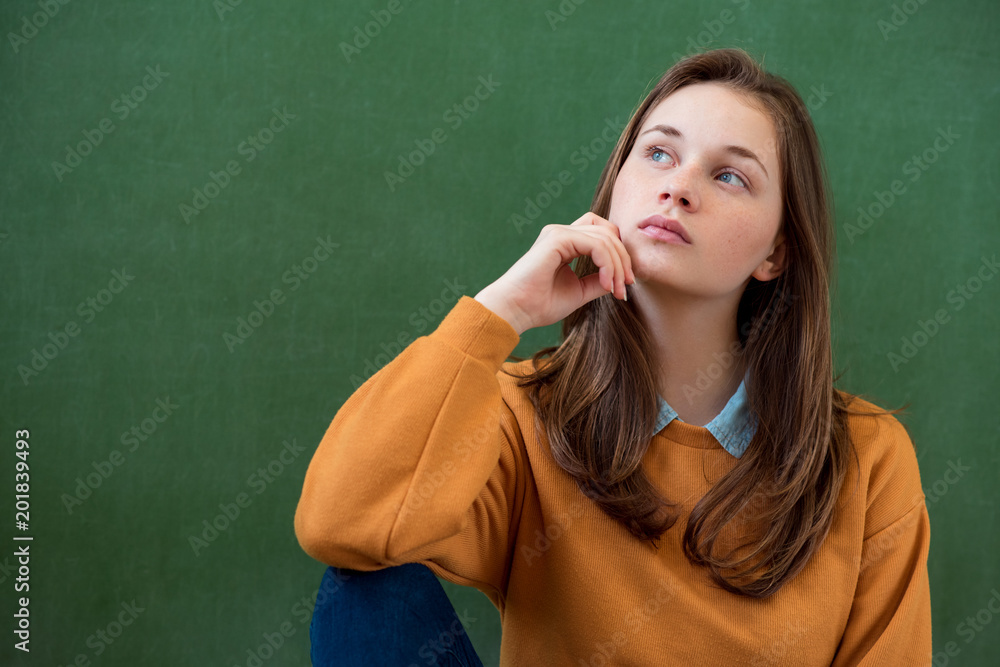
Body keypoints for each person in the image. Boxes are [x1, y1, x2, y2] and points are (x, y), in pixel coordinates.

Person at [294, 47, 932, 665]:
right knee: (362, 590)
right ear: (614, 188)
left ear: (776, 252)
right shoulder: (524, 416)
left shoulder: (867, 460)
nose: (677, 187)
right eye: (658, 153)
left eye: (729, 175)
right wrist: (499, 313)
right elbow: (342, 525)